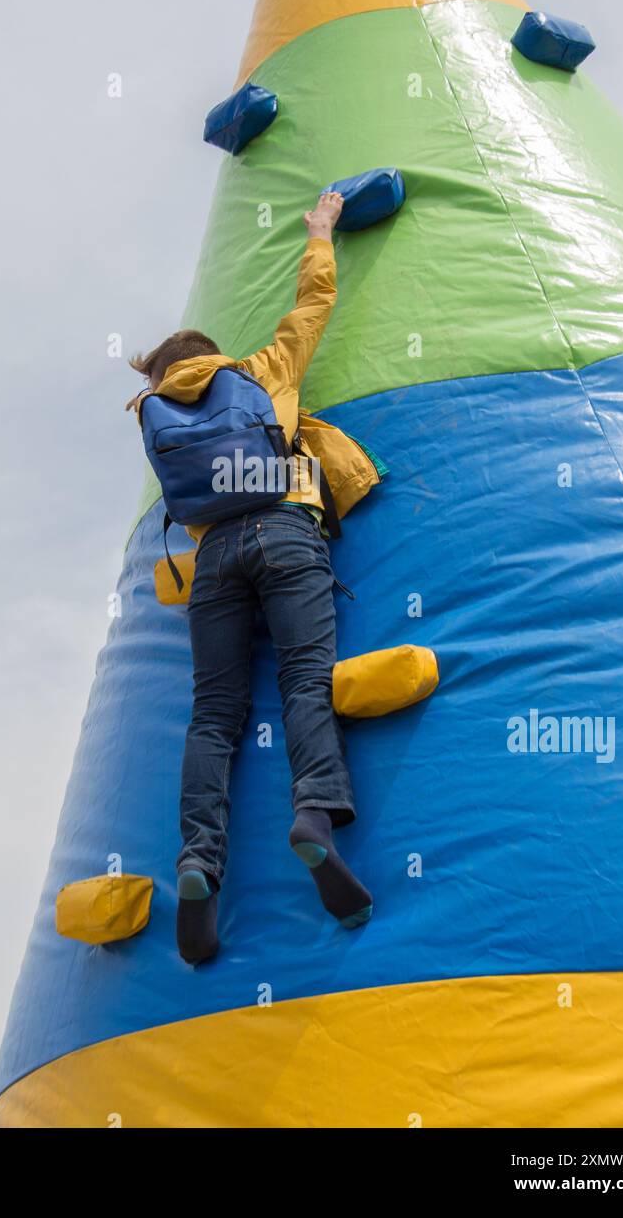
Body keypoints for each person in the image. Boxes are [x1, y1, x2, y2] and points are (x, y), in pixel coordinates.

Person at [128, 191, 382, 964]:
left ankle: (199, 860)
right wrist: (320, 231)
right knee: (306, 680)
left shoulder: (151, 411)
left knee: (214, 717)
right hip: (284, 530)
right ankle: (313, 814)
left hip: (214, 564)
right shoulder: (261, 370)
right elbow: (314, 303)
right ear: (211, 351)